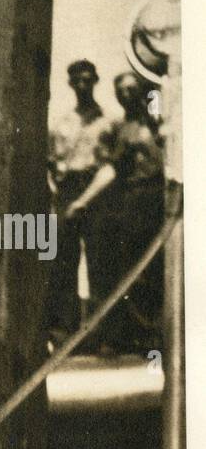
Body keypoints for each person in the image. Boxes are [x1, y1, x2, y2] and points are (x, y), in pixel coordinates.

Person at [65, 70, 165, 352]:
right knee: (135, 270)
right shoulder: (120, 129)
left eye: (132, 88)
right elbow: (110, 169)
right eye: (120, 90)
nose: (126, 94)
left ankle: (159, 334)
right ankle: (140, 337)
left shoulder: (162, 123)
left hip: (164, 200)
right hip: (134, 202)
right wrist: (83, 200)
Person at [46, 60, 111, 340]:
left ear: (96, 80)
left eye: (88, 80)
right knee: (63, 260)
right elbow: (51, 161)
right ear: (71, 84)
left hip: (96, 190)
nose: (83, 85)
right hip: (67, 189)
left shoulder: (107, 123)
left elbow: (109, 165)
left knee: (99, 260)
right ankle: (66, 329)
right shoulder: (61, 124)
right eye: (77, 81)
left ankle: (101, 332)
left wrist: (85, 199)